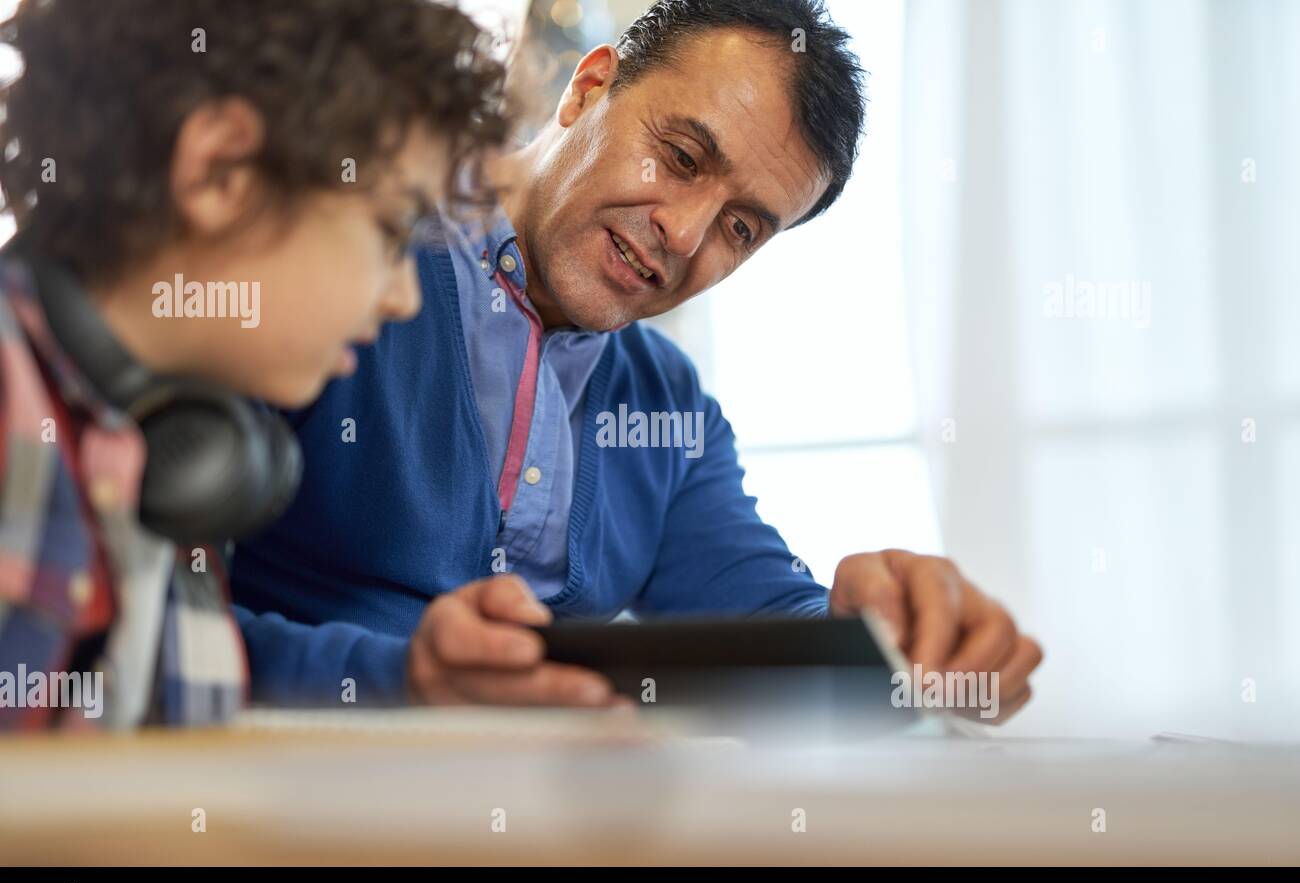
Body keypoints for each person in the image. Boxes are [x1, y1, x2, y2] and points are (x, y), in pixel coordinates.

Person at [231, 0, 1043, 718]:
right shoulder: (346, 266)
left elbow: (762, 625)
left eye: (742, 229)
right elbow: (152, 619)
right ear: (588, 89)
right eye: (683, 159)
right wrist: (397, 679)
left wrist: (892, 640)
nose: (686, 235)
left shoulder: (668, 406)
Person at [0, 0, 521, 729]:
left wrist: (410, 677)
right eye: (391, 231)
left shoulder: (171, 454)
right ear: (223, 172)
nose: (405, 297)